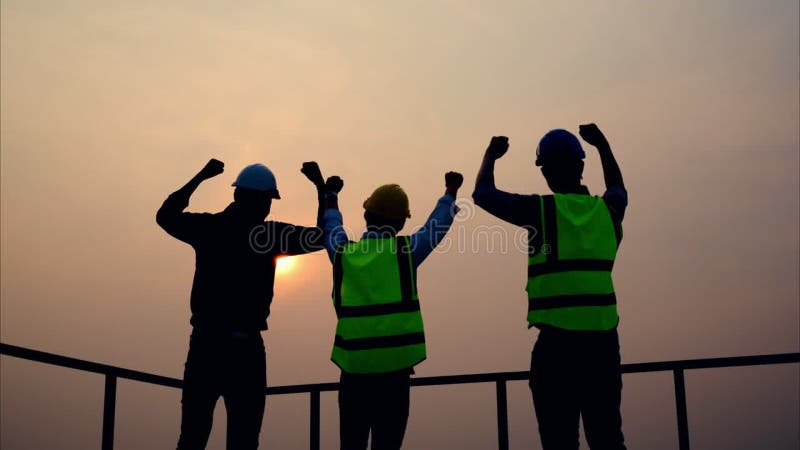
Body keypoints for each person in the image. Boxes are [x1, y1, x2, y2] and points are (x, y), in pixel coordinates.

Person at [472, 124, 628, 450]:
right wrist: (602, 144)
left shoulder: (541, 212)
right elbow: (618, 188)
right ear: (581, 166)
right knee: (608, 438)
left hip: (557, 349)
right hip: (603, 347)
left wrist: (491, 155)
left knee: (559, 441)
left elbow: (483, 194)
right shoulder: (608, 211)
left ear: (547, 172)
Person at [156, 158, 325, 450]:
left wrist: (201, 175)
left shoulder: (209, 228)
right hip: (245, 354)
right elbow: (322, 237)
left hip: (205, 348)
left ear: (236, 195)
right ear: (263, 202)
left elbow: (166, 215)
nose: (269, 207)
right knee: (244, 442)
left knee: (192, 438)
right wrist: (321, 188)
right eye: (269, 200)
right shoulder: (269, 235)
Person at [303, 166, 463, 450]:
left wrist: (331, 198)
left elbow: (331, 229)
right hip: (395, 376)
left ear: (366, 216)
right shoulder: (406, 253)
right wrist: (450, 193)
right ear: (401, 222)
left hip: (353, 375)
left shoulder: (344, 254)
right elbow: (434, 228)